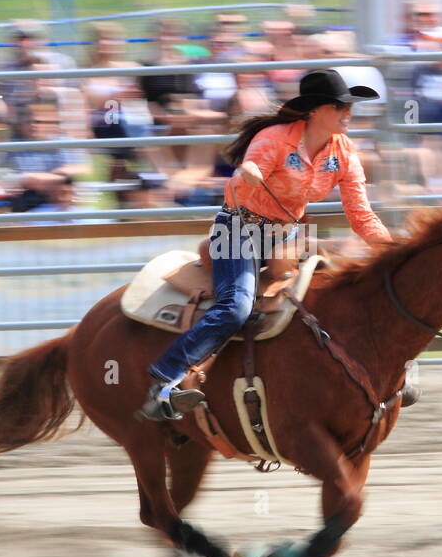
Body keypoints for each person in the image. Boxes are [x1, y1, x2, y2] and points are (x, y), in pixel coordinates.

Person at [141, 69, 393, 421]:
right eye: (341, 106)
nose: (348, 112)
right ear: (316, 110)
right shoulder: (274, 139)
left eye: (349, 106)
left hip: (286, 236)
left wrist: (393, 249)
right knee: (235, 308)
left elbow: (361, 216)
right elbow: (244, 181)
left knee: (342, 297)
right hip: (238, 231)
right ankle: (165, 377)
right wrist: (247, 176)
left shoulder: (345, 152)